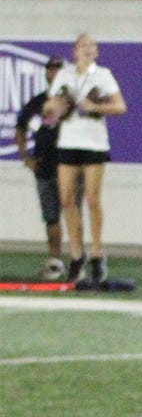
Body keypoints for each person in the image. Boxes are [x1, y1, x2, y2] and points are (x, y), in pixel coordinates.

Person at [47, 34, 125, 290]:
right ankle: (77, 254)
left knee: (92, 199)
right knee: (67, 199)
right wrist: (55, 106)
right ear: (75, 50)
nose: (89, 50)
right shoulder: (65, 75)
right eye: (85, 46)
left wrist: (94, 107)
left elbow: (120, 107)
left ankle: (96, 252)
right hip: (68, 141)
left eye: (93, 46)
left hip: (94, 143)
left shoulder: (103, 75)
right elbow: (48, 107)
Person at [15, 58, 67, 281]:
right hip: (45, 164)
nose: (53, 72)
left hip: (68, 164)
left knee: (73, 214)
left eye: (58, 69)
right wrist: (26, 156)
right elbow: (20, 127)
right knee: (51, 216)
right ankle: (55, 261)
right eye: (50, 68)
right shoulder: (36, 103)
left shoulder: (70, 102)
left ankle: (77, 261)